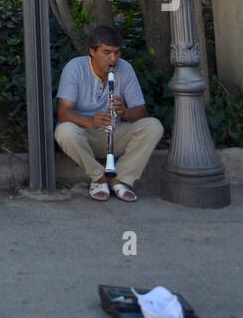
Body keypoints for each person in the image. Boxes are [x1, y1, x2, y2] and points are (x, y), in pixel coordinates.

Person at [55, 25, 163, 202]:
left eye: (117, 52)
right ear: (92, 51)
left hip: (115, 131)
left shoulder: (125, 68)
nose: (113, 59)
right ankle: (99, 178)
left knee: (153, 126)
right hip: (84, 134)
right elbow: (63, 112)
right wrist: (91, 121)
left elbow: (140, 111)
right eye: (106, 53)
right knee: (64, 131)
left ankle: (119, 179)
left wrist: (125, 112)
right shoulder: (74, 68)